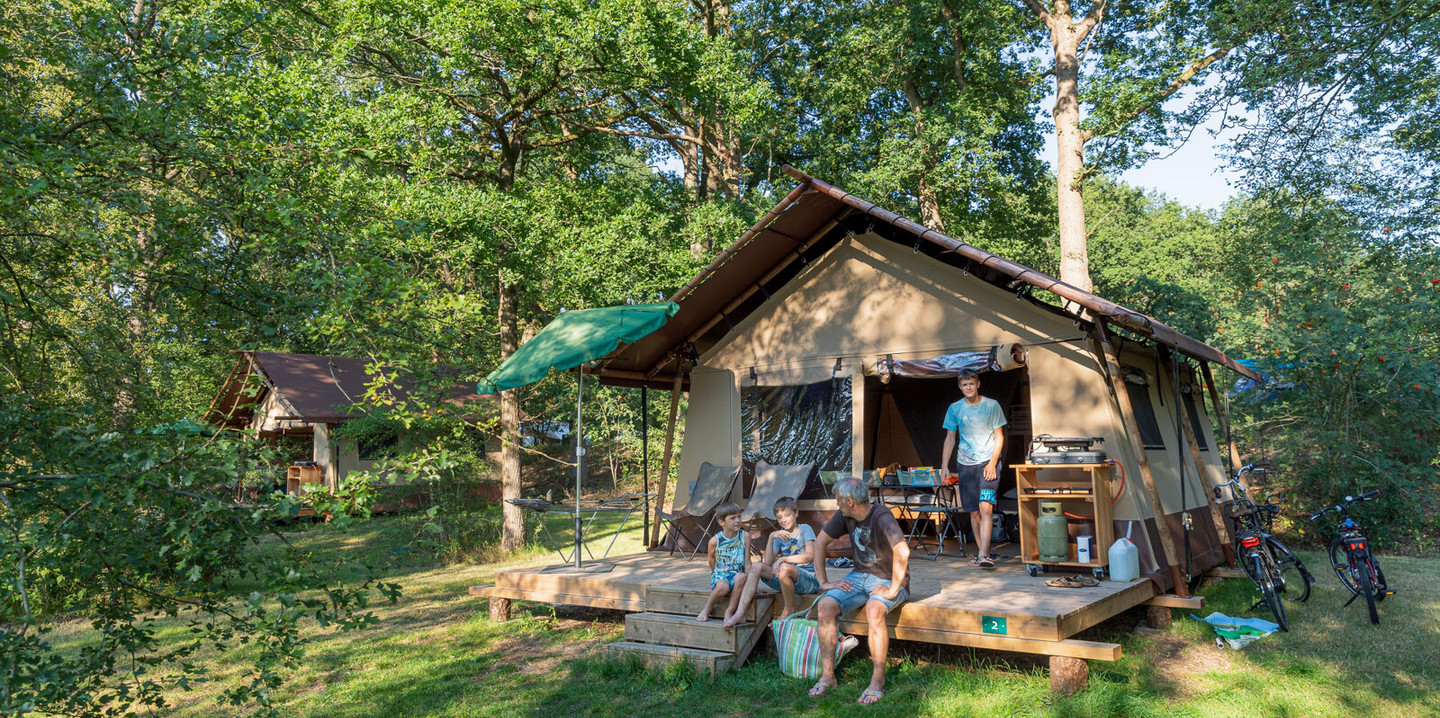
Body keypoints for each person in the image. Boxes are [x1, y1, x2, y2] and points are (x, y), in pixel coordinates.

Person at [807, 477, 909, 705]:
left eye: (838, 501)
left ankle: (877, 681)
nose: (837, 505)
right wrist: (824, 582)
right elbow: (819, 543)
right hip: (859, 577)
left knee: (874, 609)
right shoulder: (845, 516)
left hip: (887, 578)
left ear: (850, 501)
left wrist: (894, 588)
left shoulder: (882, 515)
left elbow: (902, 551)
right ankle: (828, 676)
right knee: (824, 606)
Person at [940, 370, 1007, 568]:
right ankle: (982, 553)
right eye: (964, 384)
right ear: (960, 387)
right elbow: (950, 438)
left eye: (971, 383)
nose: (968, 387)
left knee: (986, 506)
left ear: (978, 384)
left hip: (988, 462)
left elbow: (999, 436)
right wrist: (944, 465)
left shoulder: (991, 405)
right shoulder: (955, 408)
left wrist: (993, 462)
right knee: (974, 511)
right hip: (965, 464)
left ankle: (984, 555)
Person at [724, 496, 820, 627]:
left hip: (808, 581)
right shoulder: (779, 535)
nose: (783, 520)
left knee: (784, 567)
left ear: (796, 513)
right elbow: (768, 563)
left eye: (787, 515)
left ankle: (789, 610)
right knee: (757, 567)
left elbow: (810, 556)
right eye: (779, 517)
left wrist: (783, 558)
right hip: (785, 580)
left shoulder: (805, 529)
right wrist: (771, 537)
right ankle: (739, 613)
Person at [697, 503, 748, 623]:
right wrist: (716, 573)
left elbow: (747, 560)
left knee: (741, 577)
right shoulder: (715, 541)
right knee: (723, 587)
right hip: (721, 574)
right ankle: (707, 608)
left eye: (739, 517)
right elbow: (711, 559)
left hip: (738, 574)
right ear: (721, 522)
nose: (738, 521)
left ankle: (730, 611)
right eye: (732, 518)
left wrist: (751, 582)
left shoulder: (744, 536)